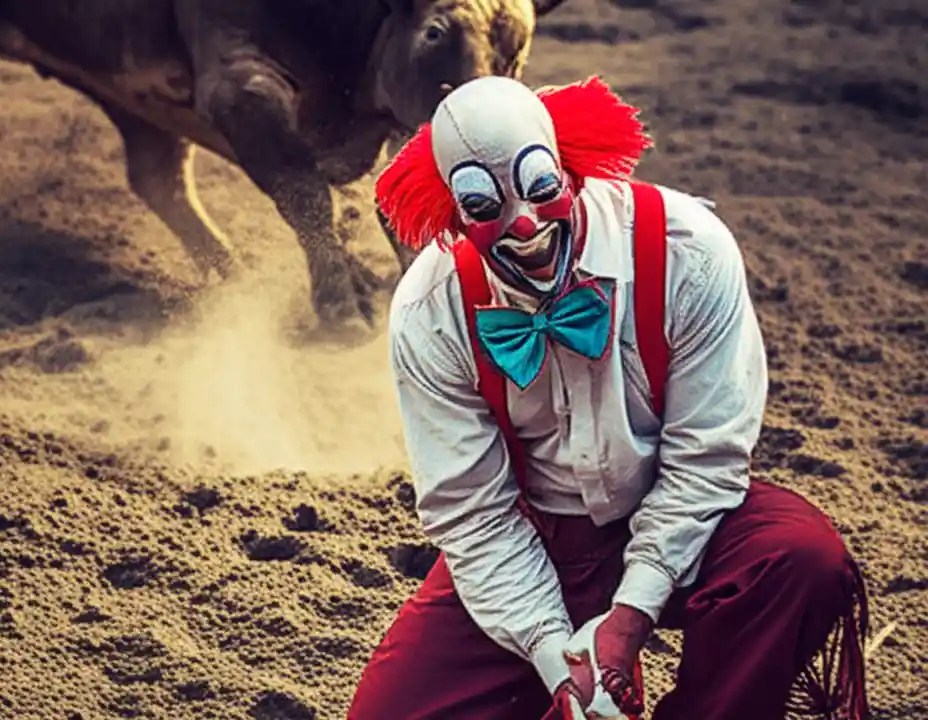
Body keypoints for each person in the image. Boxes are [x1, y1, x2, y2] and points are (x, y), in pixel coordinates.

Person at [348, 75, 869, 720]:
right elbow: (473, 514)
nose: (525, 223)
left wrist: (630, 617)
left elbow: (706, 461)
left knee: (799, 558)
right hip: (534, 534)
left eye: (540, 187)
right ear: (454, 212)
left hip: (681, 513)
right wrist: (555, 661)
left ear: (569, 167)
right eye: (484, 207)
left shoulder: (688, 251)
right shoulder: (433, 309)